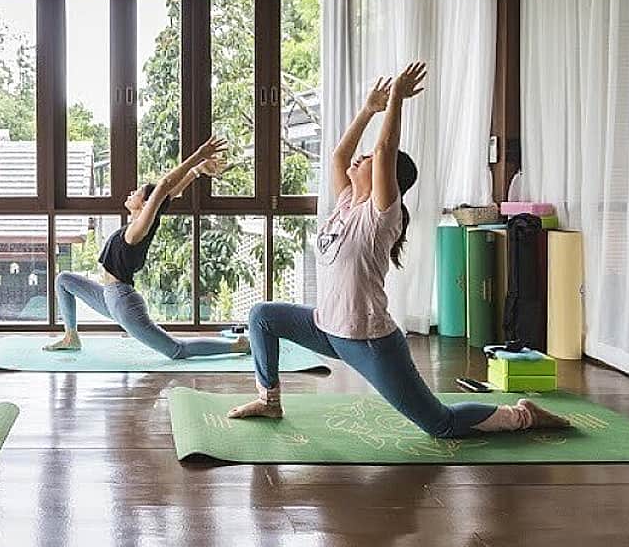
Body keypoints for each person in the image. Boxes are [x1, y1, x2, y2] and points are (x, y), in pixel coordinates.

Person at [228, 62, 569, 437]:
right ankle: (269, 400)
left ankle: (523, 415)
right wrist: (367, 110)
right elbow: (339, 156)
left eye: (369, 160)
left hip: (368, 341)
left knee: (440, 423)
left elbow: (385, 147)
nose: (361, 158)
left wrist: (395, 101)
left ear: (383, 177)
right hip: (325, 327)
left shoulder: (380, 217)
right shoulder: (345, 203)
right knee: (262, 315)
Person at [44, 135, 251, 359]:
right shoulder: (134, 225)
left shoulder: (137, 230)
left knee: (176, 350)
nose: (130, 193)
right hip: (107, 297)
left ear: (144, 204)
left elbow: (164, 187)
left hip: (123, 303)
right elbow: (170, 192)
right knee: (64, 280)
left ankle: (238, 346)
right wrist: (197, 170)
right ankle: (71, 337)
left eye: (136, 193)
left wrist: (198, 154)